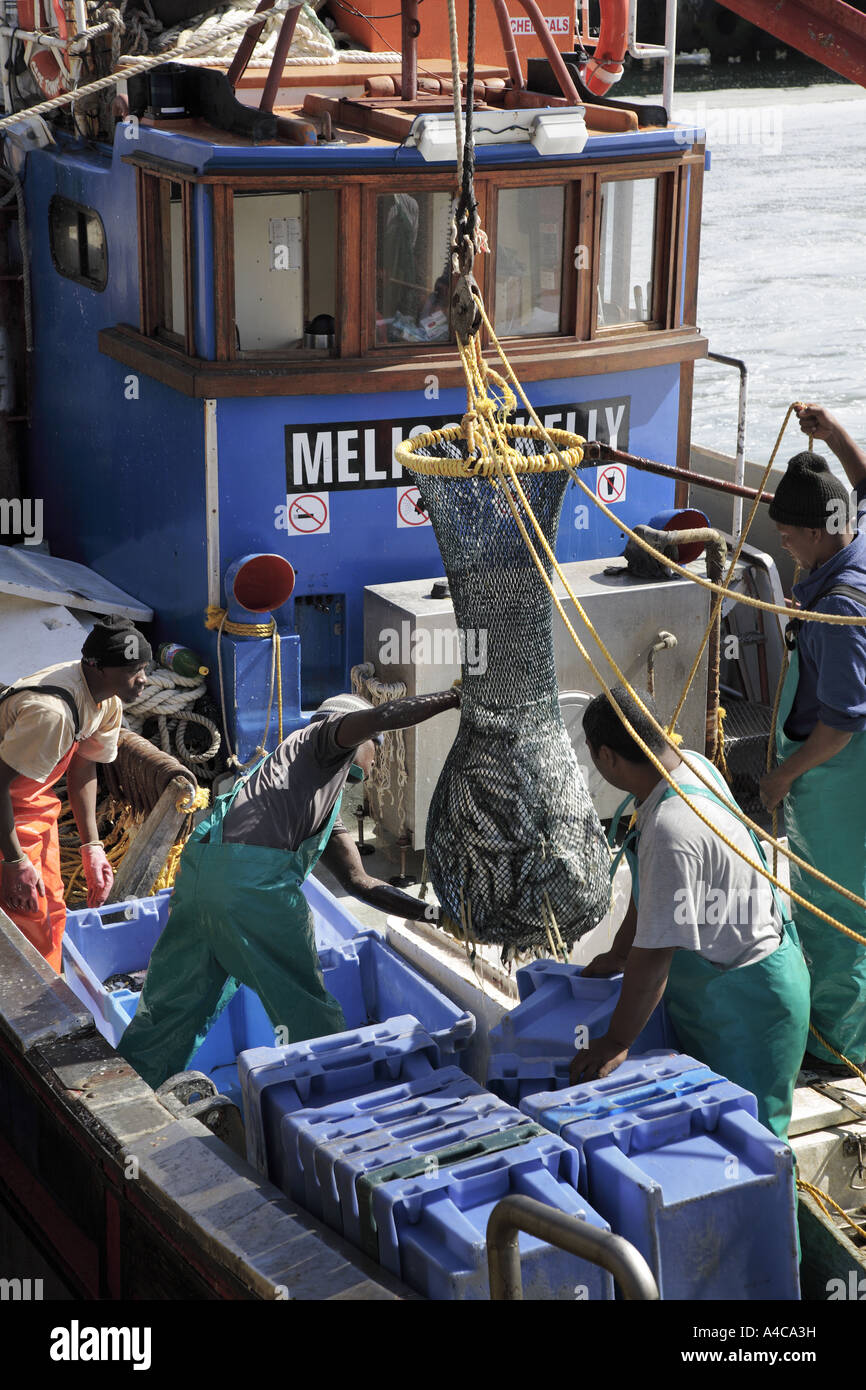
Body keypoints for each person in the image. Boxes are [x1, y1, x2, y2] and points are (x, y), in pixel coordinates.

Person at [118, 688, 460, 1091]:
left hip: (199, 884)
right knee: (305, 1012)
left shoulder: (303, 788)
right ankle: (337, 1104)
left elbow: (361, 883)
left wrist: (438, 916)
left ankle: (125, 1094)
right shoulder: (318, 741)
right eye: (376, 748)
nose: (378, 758)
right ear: (352, 734)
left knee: (173, 1006)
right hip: (254, 893)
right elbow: (383, 716)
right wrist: (455, 697)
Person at [570, 687, 810, 1139]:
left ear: (607, 756)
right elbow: (655, 893)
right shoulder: (692, 764)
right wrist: (619, 954)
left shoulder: (670, 829)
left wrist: (615, 1042)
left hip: (752, 1008)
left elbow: (656, 957)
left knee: (754, 1146)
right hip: (742, 981)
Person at [759, 404, 866, 1072]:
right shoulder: (855, 532)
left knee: (835, 909)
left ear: (817, 533)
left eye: (789, 538)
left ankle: (841, 1048)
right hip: (836, 770)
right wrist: (833, 439)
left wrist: (780, 777)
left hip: (837, 774)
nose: (786, 549)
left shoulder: (839, 609)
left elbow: (842, 724)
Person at [0, 619, 151, 971]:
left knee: (52, 908)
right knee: (26, 918)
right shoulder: (52, 714)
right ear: (95, 667)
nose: (142, 680)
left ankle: (48, 993)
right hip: (7, 810)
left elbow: (83, 767)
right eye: (131, 671)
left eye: (143, 668)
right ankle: (31, 1017)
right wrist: (14, 862)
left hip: (35, 808)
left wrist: (92, 847)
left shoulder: (108, 700)